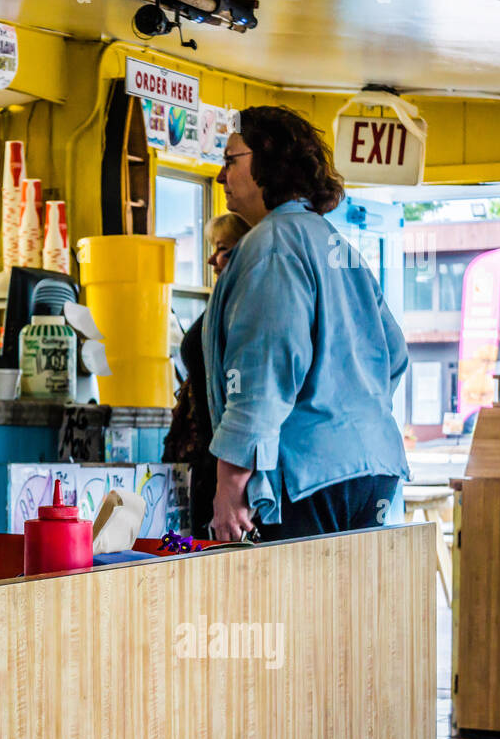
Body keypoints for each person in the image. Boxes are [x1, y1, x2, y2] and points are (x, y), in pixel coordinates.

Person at [203, 106, 409, 541]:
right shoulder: (337, 245)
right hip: (375, 465)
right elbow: (394, 354)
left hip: (308, 476)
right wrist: (353, 407)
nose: (221, 176)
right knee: (352, 588)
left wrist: (230, 483)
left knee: (290, 589)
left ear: (268, 160)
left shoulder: (272, 245)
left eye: (230, 160)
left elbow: (264, 372)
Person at [162, 212, 249, 538]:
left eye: (222, 249)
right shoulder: (225, 301)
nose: (212, 259)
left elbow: (246, 395)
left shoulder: (246, 306)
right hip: (206, 453)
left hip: (226, 460)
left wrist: (231, 480)